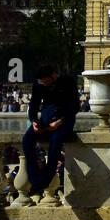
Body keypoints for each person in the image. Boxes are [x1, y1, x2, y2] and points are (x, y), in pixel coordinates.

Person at [22, 65, 79, 195]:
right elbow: (33, 106)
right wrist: (34, 122)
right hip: (46, 119)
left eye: (47, 81)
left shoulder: (68, 82)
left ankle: (45, 180)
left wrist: (60, 122)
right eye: (43, 82)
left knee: (56, 140)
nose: (45, 84)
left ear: (54, 75)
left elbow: (75, 106)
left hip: (65, 120)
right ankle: (35, 179)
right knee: (26, 140)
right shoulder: (39, 85)